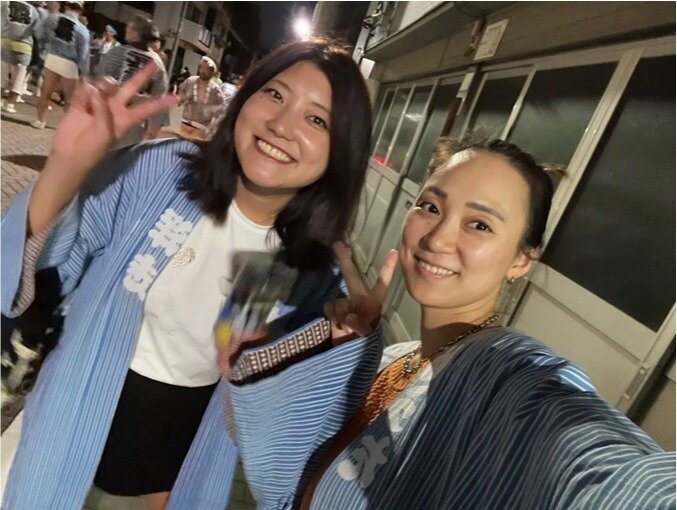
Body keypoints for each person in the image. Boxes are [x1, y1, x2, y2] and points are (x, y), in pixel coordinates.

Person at [1, 38, 372, 510]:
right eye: (275, 94)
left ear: (342, 151)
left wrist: (347, 345)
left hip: (173, 476)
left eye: (317, 120)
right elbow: (45, 271)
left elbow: (285, 425)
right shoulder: (161, 173)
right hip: (63, 440)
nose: (282, 125)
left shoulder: (306, 266)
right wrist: (65, 169)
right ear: (245, 99)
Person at [222, 136, 676, 509]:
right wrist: (343, 347)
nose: (438, 238)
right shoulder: (397, 357)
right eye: (431, 207)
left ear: (521, 260)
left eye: (480, 225)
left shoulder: (509, 375)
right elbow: (283, 459)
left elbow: (598, 465)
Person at [95, 16, 168, 147]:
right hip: (135, 120)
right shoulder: (157, 62)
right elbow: (159, 96)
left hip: (109, 114)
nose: (127, 30)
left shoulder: (118, 52)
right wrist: (153, 129)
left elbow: (101, 78)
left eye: (130, 28)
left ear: (137, 34)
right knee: (124, 154)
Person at [30, 0, 89, 129]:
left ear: (66, 5)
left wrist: (44, 48)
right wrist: (83, 72)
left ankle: (40, 121)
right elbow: (83, 54)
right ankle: (68, 128)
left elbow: (38, 33)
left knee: (45, 93)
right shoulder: (82, 30)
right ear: (80, 10)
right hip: (69, 64)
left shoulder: (52, 19)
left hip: (52, 58)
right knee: (69, 100)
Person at [1, 0, 40, 113]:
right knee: (18, 79)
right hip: (24, 47)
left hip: (4, 42)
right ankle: (10, 105)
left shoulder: (4, 3)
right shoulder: (34, 11)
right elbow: (37, 31)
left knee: (2, 77)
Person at [177, 56, 224, 136]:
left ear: (212, 72)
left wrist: (210, 111)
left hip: (201, 126)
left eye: (206, 69)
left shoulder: (215, 89)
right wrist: (182, 99)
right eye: (202, 67)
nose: (203, 71)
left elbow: (221, 108)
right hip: (186, 121)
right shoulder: (190, 81)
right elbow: (181, 90)